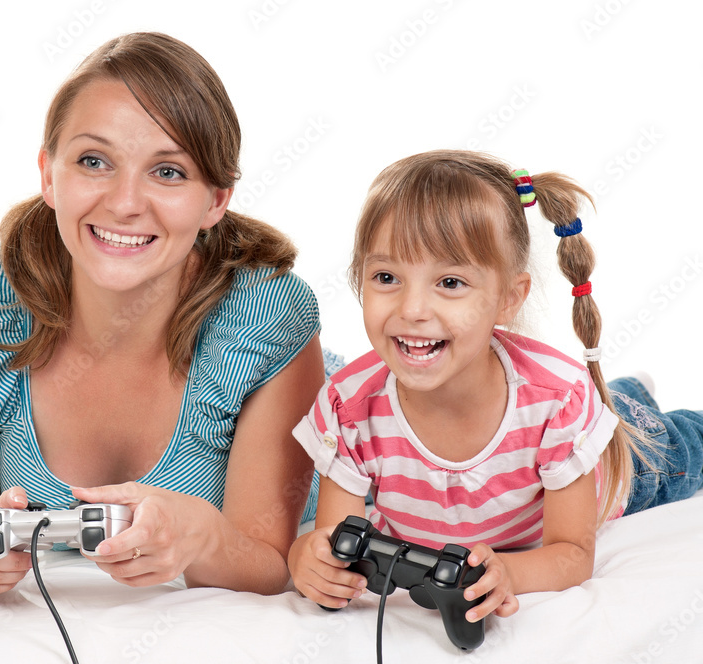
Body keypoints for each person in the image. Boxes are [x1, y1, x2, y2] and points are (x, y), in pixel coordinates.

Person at [0, 32, 327, 598]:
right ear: (47, 175)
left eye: (168, 172)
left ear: (216, 199)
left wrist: (203, 539)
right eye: (94, 161)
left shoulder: (270, 319)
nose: (124, 202)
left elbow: (265, 565)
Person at [287, 150, 703, 623]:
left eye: (449, 281)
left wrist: (509, 570)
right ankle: (627, 392)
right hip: (563, 436)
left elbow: (571, 553)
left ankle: (624, 408)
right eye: (387, 277)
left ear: (508, 299)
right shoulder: (348, 408)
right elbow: (340, 543)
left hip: (611, 470)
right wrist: (308, 561)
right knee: (618, 403)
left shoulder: (556, 402)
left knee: (678, 445)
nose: (413, 308)